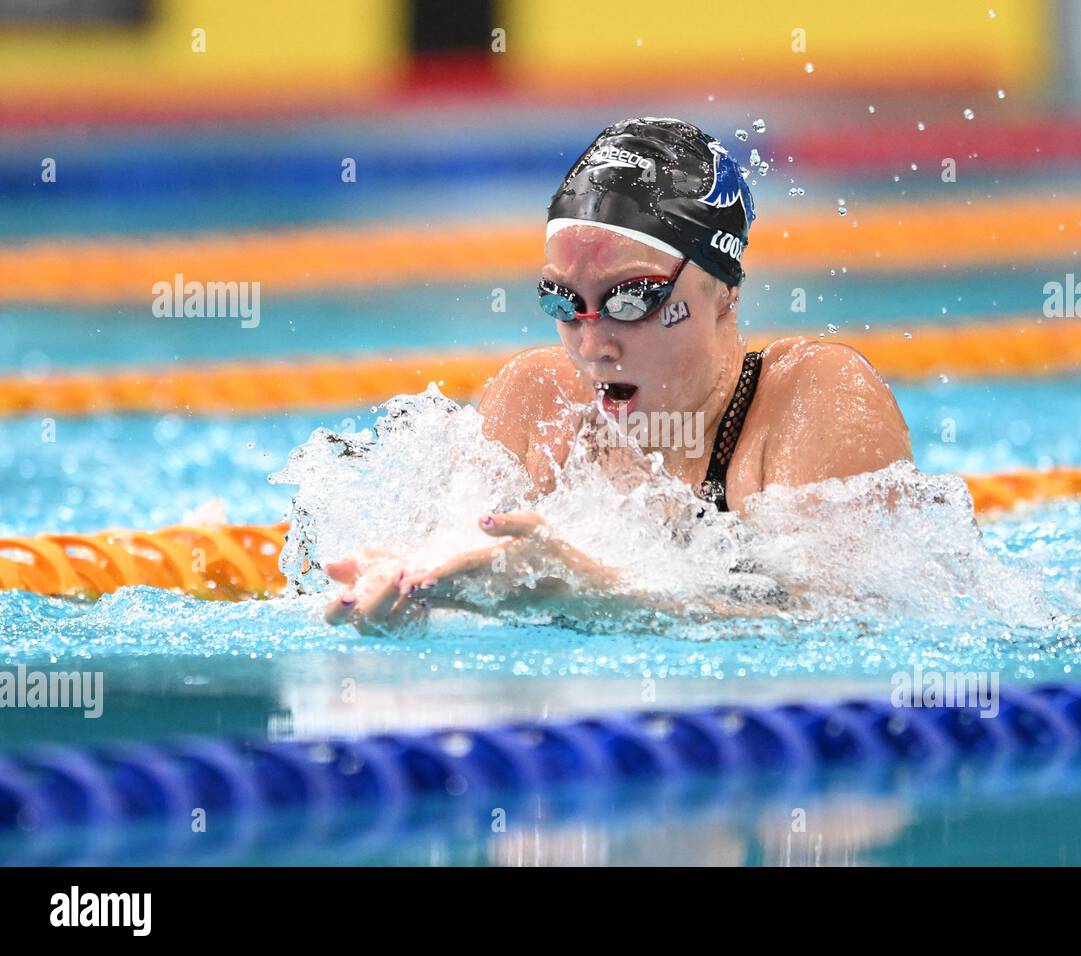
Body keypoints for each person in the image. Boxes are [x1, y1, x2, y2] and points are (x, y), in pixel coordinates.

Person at [325, 117, 912, 632]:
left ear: (723, 292)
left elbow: (847, 630)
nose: (592, 344)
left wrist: (596, 597)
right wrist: (413, 597)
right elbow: (465, 577)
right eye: (562, 301)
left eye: (632, 298)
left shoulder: (813, 403)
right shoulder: (537, 404)